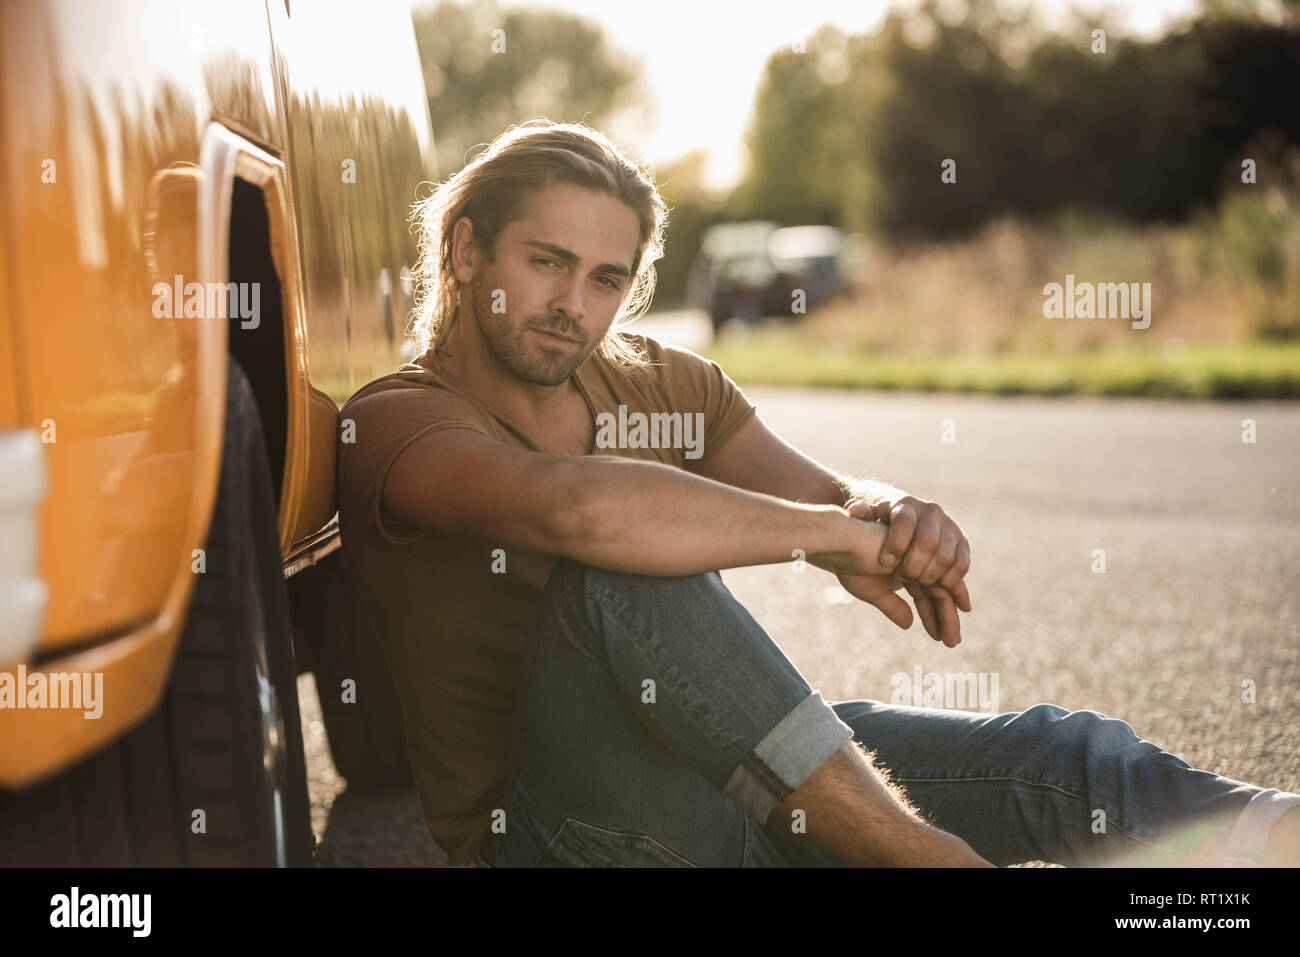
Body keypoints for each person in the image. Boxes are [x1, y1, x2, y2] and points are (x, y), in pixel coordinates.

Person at [335, 120, 1299, 868]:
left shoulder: (659, 381)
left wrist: (889, 515)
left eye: (606, 278)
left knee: (1062, 759)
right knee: (621, 576)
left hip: (717, 787)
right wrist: (823, 538)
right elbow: (572, 510)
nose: (574, 306)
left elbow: (836, 493)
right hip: (559, 840)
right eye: (545, 262)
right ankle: (918, 859)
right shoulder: (397, 421)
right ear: (466, 252)